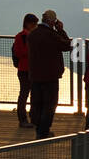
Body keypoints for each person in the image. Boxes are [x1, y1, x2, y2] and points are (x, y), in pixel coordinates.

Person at [25, 9, 72, 139]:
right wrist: (61, 30)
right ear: (52, 21)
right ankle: (43, 132)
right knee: (49, 104)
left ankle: (39, 129)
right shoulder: (52, 35)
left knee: (37, 103)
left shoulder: (33, 34)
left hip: (35, 75)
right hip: (50, 76)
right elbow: (67, 45)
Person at [12, 13, 38, 128]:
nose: (35, 25)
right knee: (24, 94)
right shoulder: (20, 36)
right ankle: (22, 120)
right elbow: (18, 52)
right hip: (24, 70)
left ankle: (33, 119)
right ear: (27, 23)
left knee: (34, 95)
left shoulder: (34, 35)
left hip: (33, 69)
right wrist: (32, 52)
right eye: (34, 23)